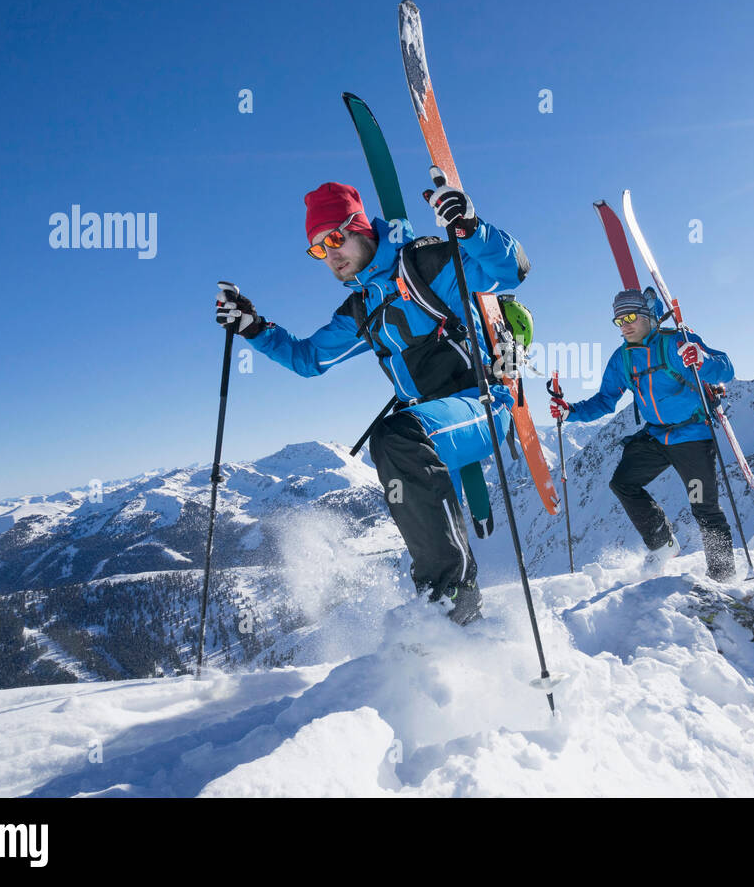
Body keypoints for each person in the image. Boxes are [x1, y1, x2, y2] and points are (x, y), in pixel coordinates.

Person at [214, 173, 530, 624]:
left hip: (484, 405)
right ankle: (447, 631)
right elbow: (308, 359)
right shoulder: (362, 306)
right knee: (419, 534)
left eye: (336, 237)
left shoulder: (426, 264)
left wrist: (469, 226)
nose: (331, 254)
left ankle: (454, 604)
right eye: (318, 249)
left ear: (362, 227)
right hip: (430, 429)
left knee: (395, 438)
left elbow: (511, 269)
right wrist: (254, 327)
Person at [550, 288, 737, 581]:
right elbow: (604, 401)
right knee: (623, 483)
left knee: (704, 507)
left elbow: (725, 369)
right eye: (619, 320)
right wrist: (570, 411)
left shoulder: (676, 342)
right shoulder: (622, 359)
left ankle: (724, 577)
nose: (625, 324)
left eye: (631, 317)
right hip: (655, 439)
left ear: (649, 316)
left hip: (691, 439)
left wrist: (701, 361)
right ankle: (663, 543)